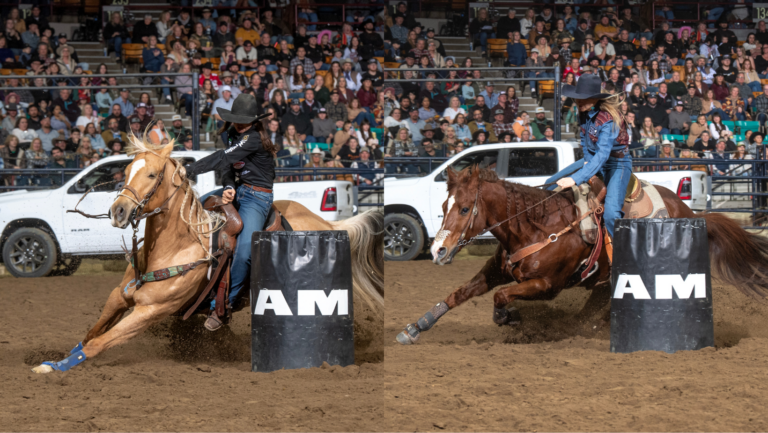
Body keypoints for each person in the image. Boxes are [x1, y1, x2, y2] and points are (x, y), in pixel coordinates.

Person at [185, 94, 275, 332]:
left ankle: (224, 304)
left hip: (258, 197)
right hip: (241, 191)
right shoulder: (236, 136)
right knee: (195, 209)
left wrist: (189, 170)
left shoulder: (253, 139)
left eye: (243, 120)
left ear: (254, 122)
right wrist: (228, 187)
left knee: (245, 251)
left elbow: (222, 158)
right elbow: (227, 168)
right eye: (236, 119)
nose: (239, 123)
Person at [545, 75, 631, 256]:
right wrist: (586, 161)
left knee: (611, 215)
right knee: (551, 183)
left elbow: (603, 155)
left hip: (617, 164)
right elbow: (584, 141)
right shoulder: (583, 113)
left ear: (595, 99)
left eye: (582, 98)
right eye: (577, 97)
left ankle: (624, 257)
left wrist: (576, 178)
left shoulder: (609, 119)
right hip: (592, 159)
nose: (577, 101)